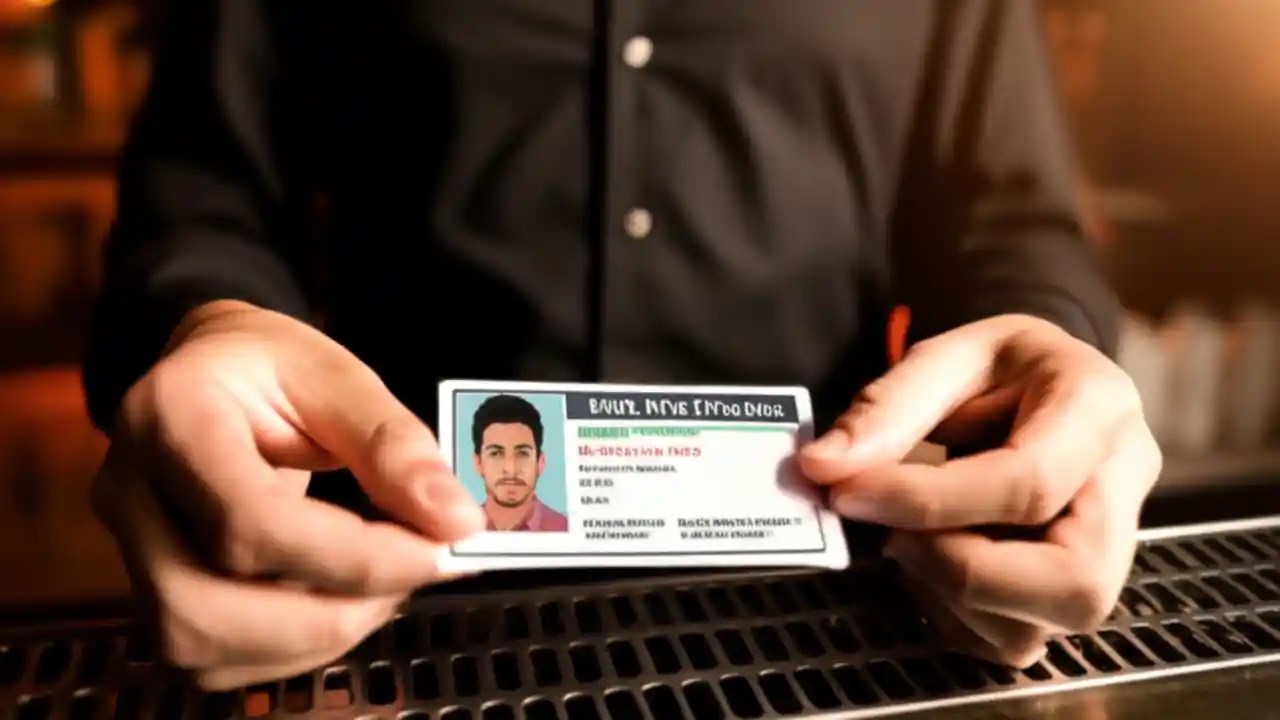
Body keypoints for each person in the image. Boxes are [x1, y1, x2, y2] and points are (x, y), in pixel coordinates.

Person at [82, 0, 1162, 692]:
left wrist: (1050, 341)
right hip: (387, 626)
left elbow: (1006, 221)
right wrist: (207, 318)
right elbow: (199, 198)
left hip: (844, 640)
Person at [470, 394, 568, 532]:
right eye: (496, 453)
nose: (511, 469)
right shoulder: (458, 531)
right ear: (478, 463)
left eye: (522, 453)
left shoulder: (564, 529)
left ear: (540, 462)